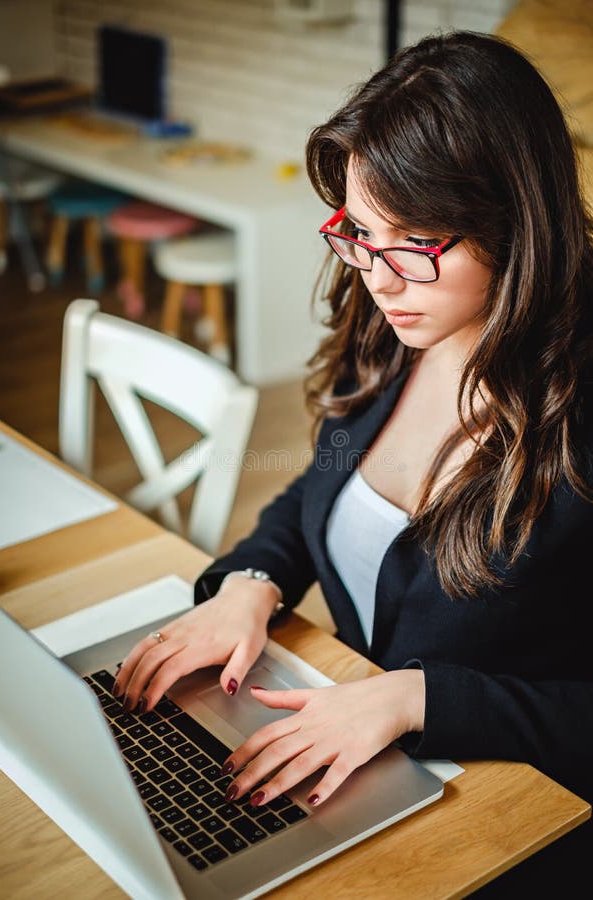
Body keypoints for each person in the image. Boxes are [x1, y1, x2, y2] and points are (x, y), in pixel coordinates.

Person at [113, 30, 593, 893]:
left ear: (514, 218)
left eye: (412, 240)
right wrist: (249, 585)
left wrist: (416, 698)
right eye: (358, 233)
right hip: (368, 767)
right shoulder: (391, 327)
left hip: (517, 824)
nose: (377, 276)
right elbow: (322, 489)